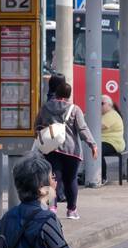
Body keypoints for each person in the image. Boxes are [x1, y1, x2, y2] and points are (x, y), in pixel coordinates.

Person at [33, 81, 98, 220]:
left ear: (56, 92)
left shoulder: (45, 107)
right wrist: (92, 144)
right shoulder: (74, 109)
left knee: (52, 179)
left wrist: (41, 136)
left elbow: (37, 125)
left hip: (51, 149)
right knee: (71, 180)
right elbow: (82, 129)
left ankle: (51, 207)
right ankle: (71, 210)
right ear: (69, 94)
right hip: (71, 151)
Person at [99, 94, 124, 183]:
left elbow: (99, 126)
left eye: (102, 103)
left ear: (109, 105)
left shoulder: (111, 114)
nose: (100, 105)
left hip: (113, 143)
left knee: (98, 150)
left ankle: (102, 176)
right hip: (106, 141)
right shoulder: (105, 114)